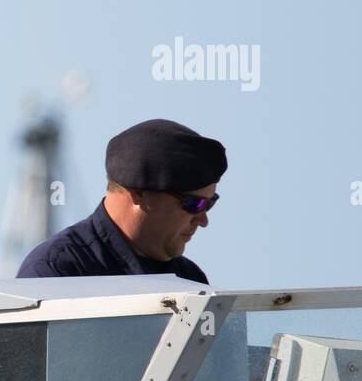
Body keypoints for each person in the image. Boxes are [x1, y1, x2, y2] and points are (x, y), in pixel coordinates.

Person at [17, 119, 226, 283]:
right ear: (139, 193)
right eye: (193, 204)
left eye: (210, 203)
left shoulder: (190, 279)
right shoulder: (56, 272)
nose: (203, 220)